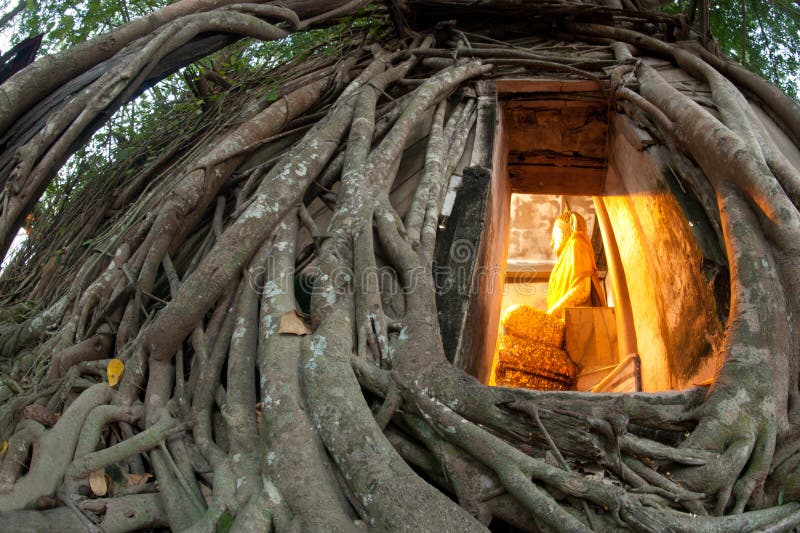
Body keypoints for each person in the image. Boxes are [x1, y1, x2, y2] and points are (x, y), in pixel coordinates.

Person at [546, 208, 605, 319]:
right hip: (561, 319)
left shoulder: (577, 243)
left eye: (555, 236)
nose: (551, 243)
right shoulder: (560, 263)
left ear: (567, 230)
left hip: (577, 319)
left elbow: (582, 290)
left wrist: (550, 315)